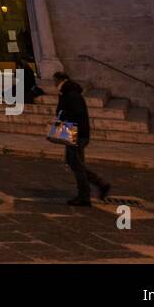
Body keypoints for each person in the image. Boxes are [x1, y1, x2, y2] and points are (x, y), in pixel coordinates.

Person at [54, 71, 110, 206]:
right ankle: (97, 184)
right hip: (75, 132)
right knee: (74, 162)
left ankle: (86, 195)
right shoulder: (68, 92)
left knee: (76, 164)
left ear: (59, 80)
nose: (54, 84)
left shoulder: (70, 94)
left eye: (54, 81)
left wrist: (62, 116)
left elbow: (75, 113)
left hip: (75, 133)